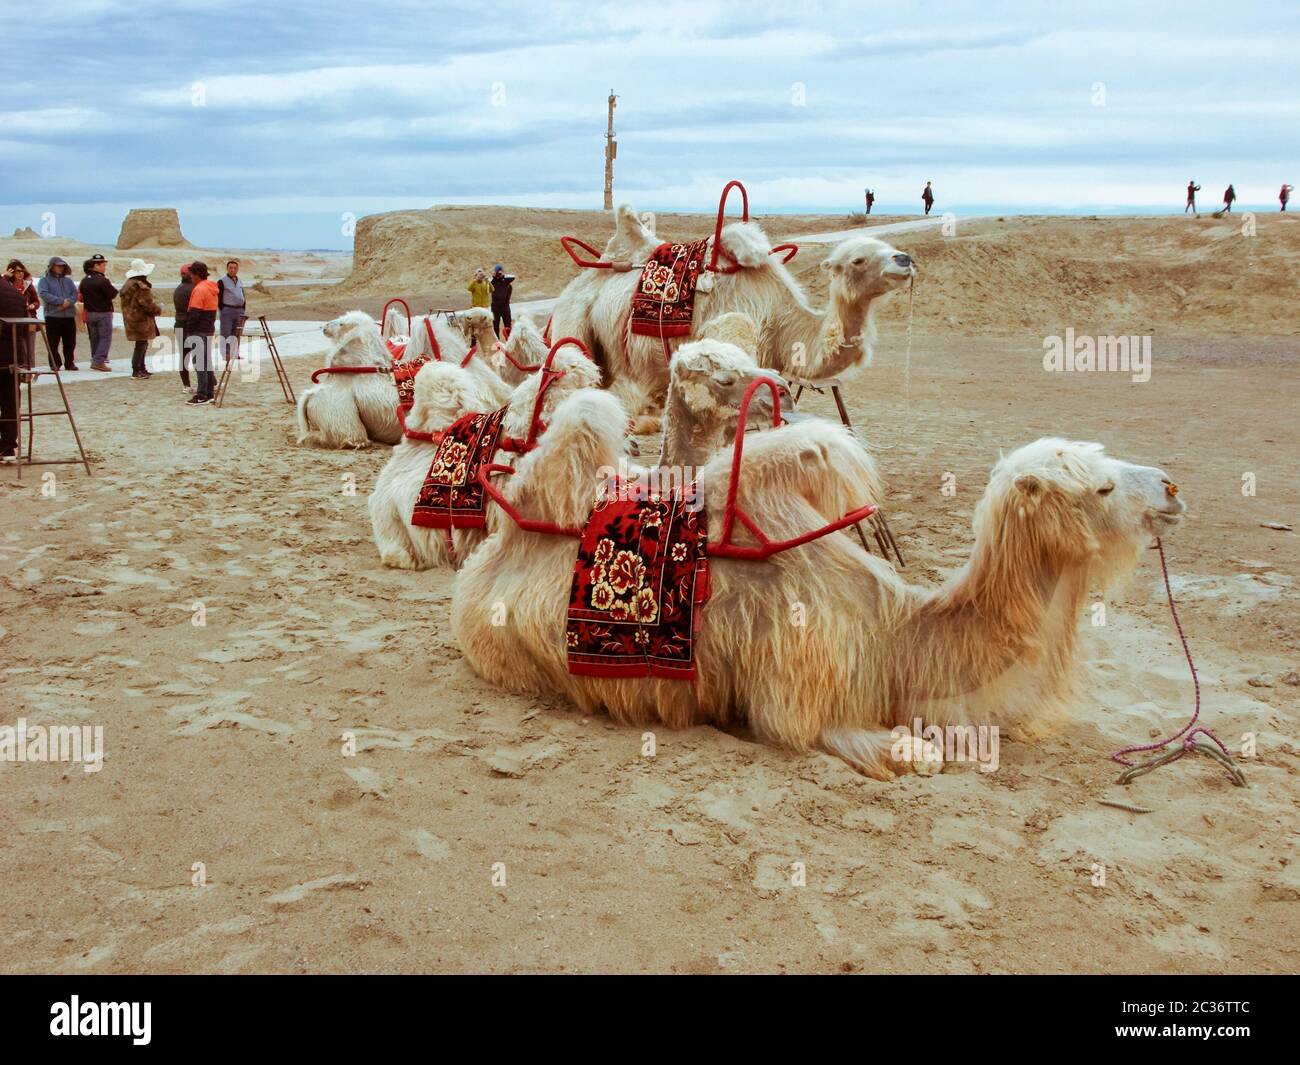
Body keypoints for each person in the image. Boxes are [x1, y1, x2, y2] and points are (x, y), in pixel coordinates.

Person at [119, 258, 161, 380]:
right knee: (142, 345)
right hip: (141, 319)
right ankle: (137, 369)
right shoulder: (141, 287)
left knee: (141, 344)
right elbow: (147, 304)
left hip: (131, 318)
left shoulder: (128, 284)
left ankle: (140, 368)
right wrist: (158, 309)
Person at [0, 273, 27, 460]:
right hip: (13, 354)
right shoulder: (14, 292)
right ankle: (8, 445)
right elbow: (24, 330)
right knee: (10, 400)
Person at [184, 261, 219, 404]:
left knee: (199, 362)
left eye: (191, 274)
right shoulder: (212, 288)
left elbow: (194, 313)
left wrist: (189, 330)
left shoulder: (199, 290)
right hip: (208, 328)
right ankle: (209, 393)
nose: (190, 277)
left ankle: (202, 394)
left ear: (196, 274)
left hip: (199, 330)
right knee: (206, 362)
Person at [37, 257, 79, 370]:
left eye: (62, 266)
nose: (61, 268)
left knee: (70, 342)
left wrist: (68, 302)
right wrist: (60, 301)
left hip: (68, 316)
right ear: (52, 266)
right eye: (58, 266)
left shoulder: (68, 281)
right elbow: (44, 294)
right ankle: (55, 363)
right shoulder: (44, 281)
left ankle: (70, 363)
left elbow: (75, 294)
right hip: (53, 316)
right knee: (53, 342)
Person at [78, 253, 117, 372]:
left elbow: (81, 296)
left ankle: (95, 358)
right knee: (105, 338)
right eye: (102, 265)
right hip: (102, 312)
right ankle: (98, 361)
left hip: (90, 312)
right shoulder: (102, 280)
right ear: (96, 266)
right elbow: (113, 293)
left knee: (94, 338)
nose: (104, 267)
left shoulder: (84, 280)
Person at [4, 261, 40, 368]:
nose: (21, 274)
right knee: (16, 346)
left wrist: (33, 305)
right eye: (18, 271)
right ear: (12, 272)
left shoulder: (28, 285)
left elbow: (36, 301)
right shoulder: (7, 285)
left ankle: (29, 369)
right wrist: (6, 277)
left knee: (29, 346)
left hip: (27, 319)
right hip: (12, 320)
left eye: (22, 271)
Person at [217, 259, 245, 363]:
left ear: (237, 269)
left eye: (235, 268)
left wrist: (243, 307)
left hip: (239, 310)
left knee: (237, 332)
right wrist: (222, 309)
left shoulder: (240, 280)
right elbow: (218, 297)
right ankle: (225, 354)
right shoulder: (222, 281)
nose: (233, 270)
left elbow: (242, 294)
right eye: (231, 268)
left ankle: (235, 354)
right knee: (226, 332)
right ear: (227, 269)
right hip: (227, 310)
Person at [173, 264, 195, 393]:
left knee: (184, 355)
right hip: (189, 325)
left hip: (179, 324)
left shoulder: (178, 289)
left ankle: (186, 385)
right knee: (199, 354)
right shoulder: (193, 289)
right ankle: (211, 382)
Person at [490, 263, 514, 338]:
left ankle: (509, 339)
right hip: (495, 307)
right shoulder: (492, 282)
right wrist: (494, 277)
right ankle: (497, 341)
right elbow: (488, 283)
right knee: (495, 325)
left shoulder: (506, 281)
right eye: (498, 272)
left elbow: (513, 277)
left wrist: (503, 275)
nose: (499, 274)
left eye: (500, 272)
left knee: (508, 324)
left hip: (505, 307)